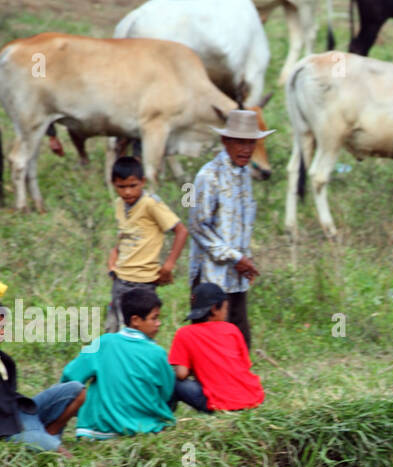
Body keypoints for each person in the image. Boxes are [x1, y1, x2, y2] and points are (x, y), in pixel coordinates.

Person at [0, 297, 85, 453]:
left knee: (77, 390)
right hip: (3, 428)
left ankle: (49, 432)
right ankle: (46, 440)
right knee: (57, 450)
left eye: (4, 327)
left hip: (20, 411)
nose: (3, 332)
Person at [189, 109, 271, 349]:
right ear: (226, 141)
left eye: (251, 143)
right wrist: (236, 257)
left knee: (239, 340)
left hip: (236, 275)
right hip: (211, 275)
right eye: (240, 142)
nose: (246, 149)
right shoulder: (208, 176)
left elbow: (242, 224)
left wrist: (244, 259)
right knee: (209, 343)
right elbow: (198, 227)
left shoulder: (245, 173)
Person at [61, 287, 175, 439]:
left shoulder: (103, 342)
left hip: (97, 430)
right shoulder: (158, 353)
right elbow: (167, 391)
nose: (158, 323)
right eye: (154, 318)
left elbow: (70, 375)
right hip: (144, 429)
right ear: (135, 320)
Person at [106, 156, 187, 333]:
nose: (127, 192)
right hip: (121, 280)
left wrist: (168, 265)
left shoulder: (151, 204)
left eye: (132, 186)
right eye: (121, 187)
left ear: (142, 182)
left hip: (143, 282)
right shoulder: (119, 204)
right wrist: (113, 260)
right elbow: (123, 235)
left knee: (141, 331)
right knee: (114, 330)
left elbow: (181, 231)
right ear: (114, 184)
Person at [168, 282, 265, 413]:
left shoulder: (184, 333)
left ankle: (165, 417)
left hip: (219, 405)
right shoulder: (232, 329)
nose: (226, 313)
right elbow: (244, 365)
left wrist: (197, 365)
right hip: (252, 399)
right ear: (214, 309)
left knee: (170, 379)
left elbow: (181, 374)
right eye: (225, 308)